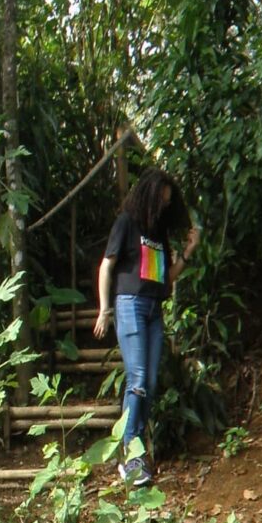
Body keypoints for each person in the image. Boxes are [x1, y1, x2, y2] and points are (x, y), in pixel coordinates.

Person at [93, 168, 199, 486]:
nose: (164, 207)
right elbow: (106, 266)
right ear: (149, 197)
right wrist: (104, 310)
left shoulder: (158, 235)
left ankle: (137, 450)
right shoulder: (126, 223)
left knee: (149, 382)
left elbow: (166, 279)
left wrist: (189, 253)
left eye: (169, 204)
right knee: (137, 378)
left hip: (154, 309)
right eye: (161, 201)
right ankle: (131, 455)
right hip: (130, 305)